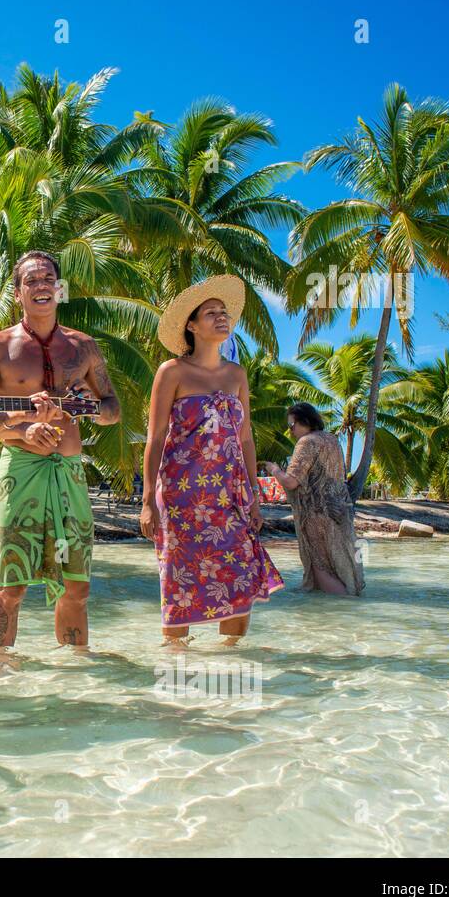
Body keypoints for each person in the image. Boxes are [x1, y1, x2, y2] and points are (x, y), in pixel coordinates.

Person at [0, 251, 121, 649]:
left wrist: (88, 408)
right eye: (31, 281)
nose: (41, 286)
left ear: (59, 287)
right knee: (11, 586)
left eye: (48, 278)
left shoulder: (83, 347)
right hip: (20, 469)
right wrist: (21, 428)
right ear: (18, 293)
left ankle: (75, 675)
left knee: (77, 587)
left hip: (70, 471)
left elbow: (112, 410)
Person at [140, 275, 283, 648]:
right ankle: (175, 658)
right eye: (211, 313)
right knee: (180, 578)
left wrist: (253, 494)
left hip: (229, 496)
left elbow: (247, 438)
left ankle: (229, 657)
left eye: (224, 313)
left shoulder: (236, 374)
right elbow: (155, 439)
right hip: (179, 496)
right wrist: (145, 503)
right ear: (191, 325)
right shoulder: (172, 371)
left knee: (240, 573)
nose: (222, 318)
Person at [262, 403, 363, 595]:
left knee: (319, 565)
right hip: (339, 510)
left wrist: (274, 469)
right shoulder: (331, 439)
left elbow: (291, 482)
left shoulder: (307, 441)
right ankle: (337, 609)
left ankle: (343, 609)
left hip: (316, 513)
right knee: (336, 564)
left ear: (305, 421)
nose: (290, 432)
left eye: (292, 426)